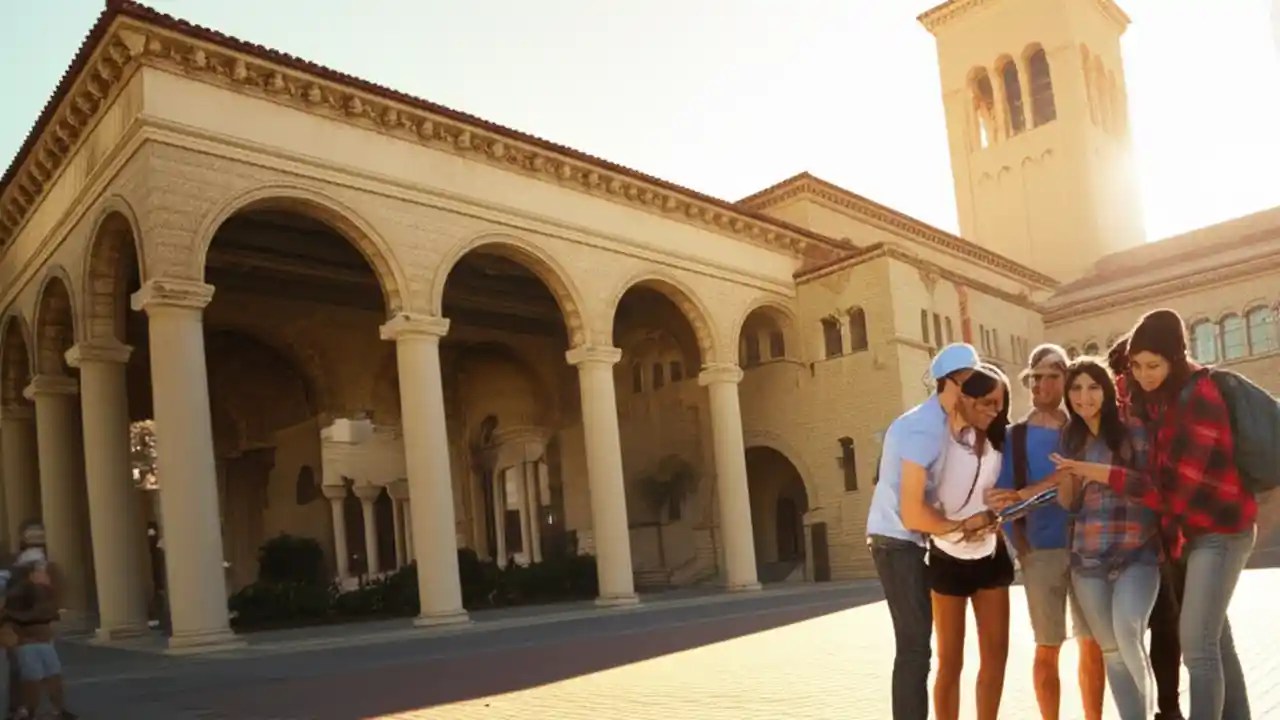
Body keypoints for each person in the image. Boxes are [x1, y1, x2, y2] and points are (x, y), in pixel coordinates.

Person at [1054, 308, 1254, 720]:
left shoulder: (1200, 397)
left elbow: (1169, 494)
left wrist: (1104, 474)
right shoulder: (1151, 394)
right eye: (1137, 366)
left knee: (1197, 646)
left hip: (1219, 529)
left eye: (1154, 366)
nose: (1143, 376)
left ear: (1175, 359)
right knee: (1214, 640)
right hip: (1185, 534)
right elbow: (1110, 390)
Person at [867, 343, 997, 720]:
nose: (977, 394)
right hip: (896, 542)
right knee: (913, 647)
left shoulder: (942, 426)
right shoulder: (922, 428)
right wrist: (958, 529)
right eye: (971, 384)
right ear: (949, 384)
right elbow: (911, 512)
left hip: (911, 541)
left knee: (918, 646)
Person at [986, 344, 1105, 720]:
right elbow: (1003, 501)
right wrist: (1021, 538)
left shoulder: (1083, 431)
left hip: (1089, 548)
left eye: (1052, 377)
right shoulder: (1013, 437)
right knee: (1047, 645)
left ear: (1066, 381)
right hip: (1040, 550)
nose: (1041, 385)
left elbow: (1085, 474)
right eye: (1036, 377)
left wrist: (1031, 492)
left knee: (1093, 644)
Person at [1054, 357, 1161, 720]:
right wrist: (1067, 475)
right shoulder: (1070, 436)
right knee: (1111, 650)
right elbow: (1069, 503)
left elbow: (1147, 487)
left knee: (1128, 631)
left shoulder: (1132, 428)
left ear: (1107, 389)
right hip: (1087, 559)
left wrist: (1089, 469)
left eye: (1093, 386)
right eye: (1077, 389)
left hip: (1136, 553)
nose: (1085, 396)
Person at [927, 363, 1014, 720]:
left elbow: (1004, 497)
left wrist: (995, 519)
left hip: (991, 558)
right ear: (966, 397)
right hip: (946, 557)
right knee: (950, 663)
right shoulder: (937, 440)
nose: (994, 411)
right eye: (987, 402)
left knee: (995, 659)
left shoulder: (1001, 443)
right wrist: (958, 527)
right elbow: (920, 502)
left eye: (1000, 404)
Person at [1109, 335, 1185, 720]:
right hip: (1135, 536)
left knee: (1168, 623)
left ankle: (1167, 707)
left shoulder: (1160, 406)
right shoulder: (1119, 415)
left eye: (1141, 367)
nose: (1134, 376)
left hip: (1166, 532)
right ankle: (1156, 707)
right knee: (1155, 623)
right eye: (1127, 369)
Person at [4, 523, 76, 720]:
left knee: (51, 675)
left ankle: (55, 709)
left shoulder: (41, 588)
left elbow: (51, 606)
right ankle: (26, 710)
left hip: (40, 637)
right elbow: (14, 612)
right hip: (27, 639)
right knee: (30, 678)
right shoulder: (20, 589)